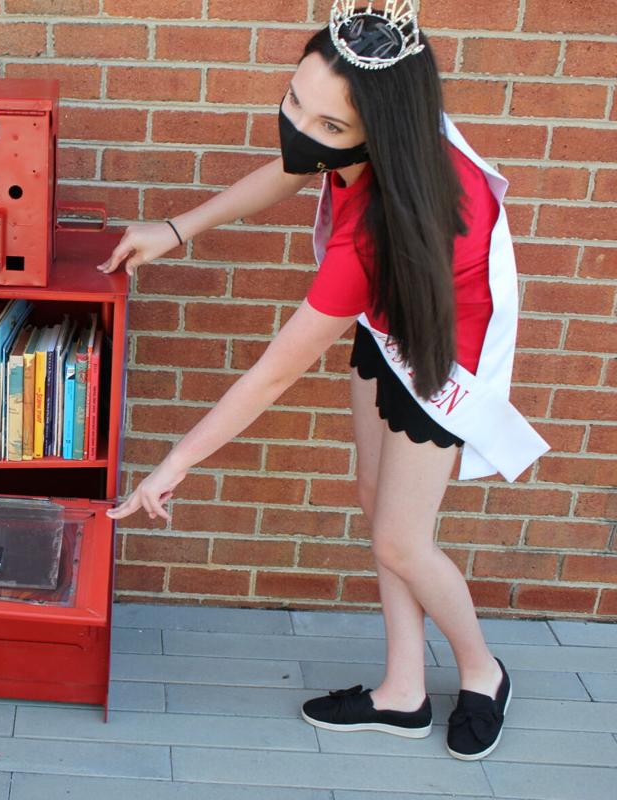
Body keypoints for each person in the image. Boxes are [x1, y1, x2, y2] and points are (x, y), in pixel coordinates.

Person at [99, 1, 548, 761]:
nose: (302, 130)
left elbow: (274, 374)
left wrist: (175, 463)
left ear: (383, 127)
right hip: (389, 328)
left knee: (404, 542)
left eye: (331, 128)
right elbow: (288, 166)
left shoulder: (373, 232)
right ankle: (403, 692)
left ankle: (483, 669)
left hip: (442, 361)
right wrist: (177, 230)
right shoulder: (365, 138)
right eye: (294, 101)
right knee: (379, 511)